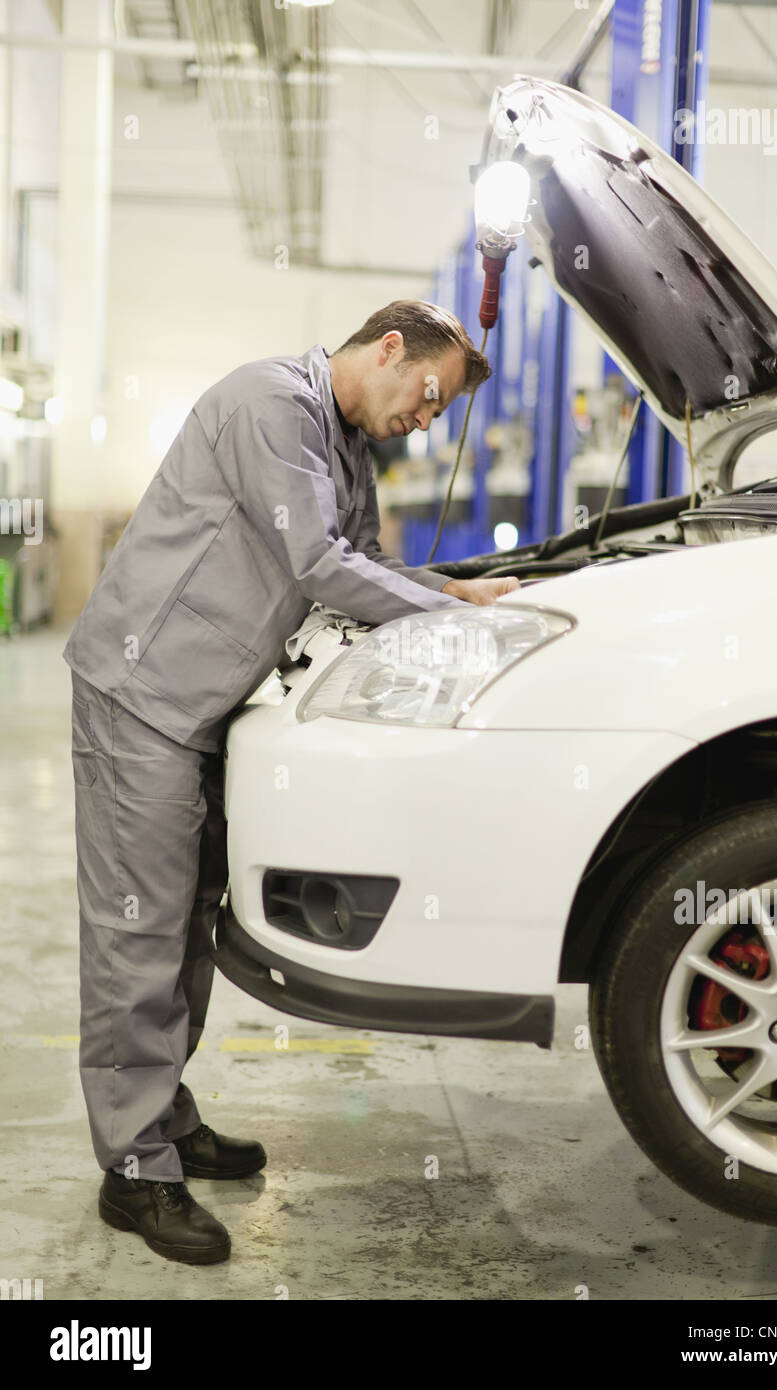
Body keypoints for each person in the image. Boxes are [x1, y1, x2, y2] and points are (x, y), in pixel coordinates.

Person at [63, 299, 519, 1264]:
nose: (423, 420)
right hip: (143, 696)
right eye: (428, 396)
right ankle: (134, 1171)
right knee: (138, 932)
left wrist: (456, 590)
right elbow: (319, 564)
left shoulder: (344, 443)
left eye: (437, 412)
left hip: (205, 706)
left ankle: (164, 1115)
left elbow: (367, 561)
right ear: (389, 347)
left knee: (189, 921)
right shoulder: (271, 404)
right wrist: (458, 620)